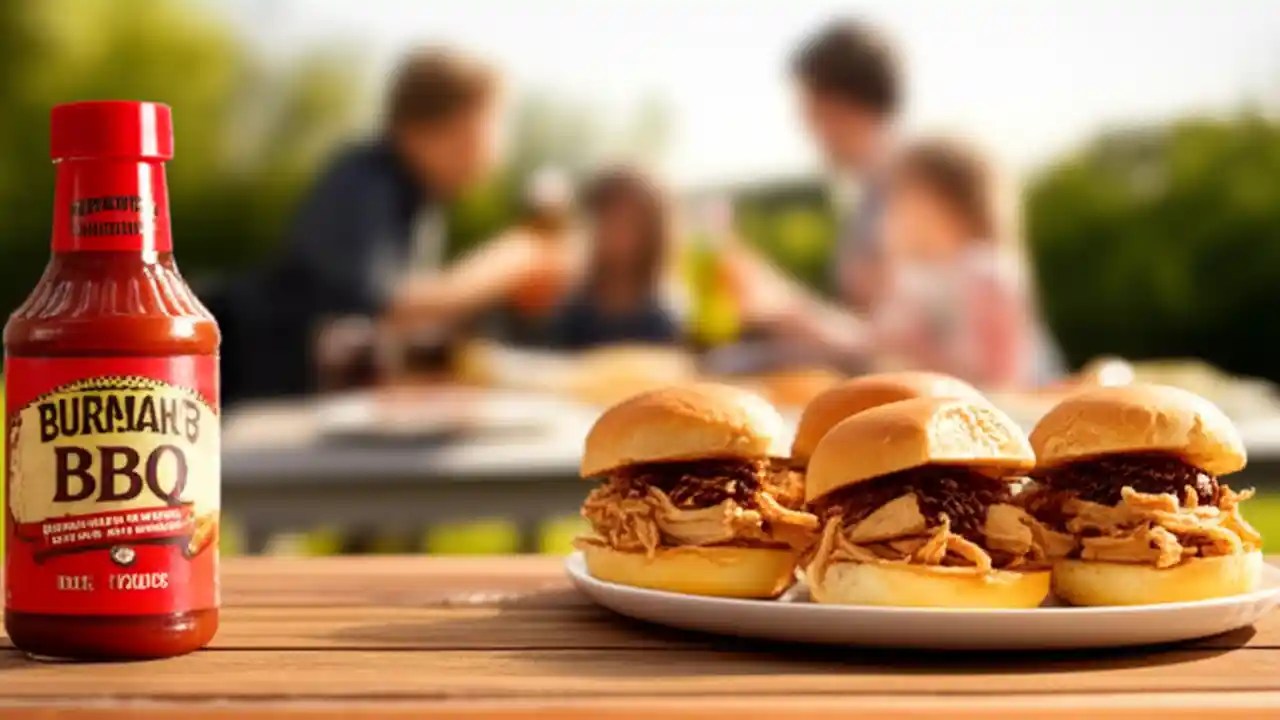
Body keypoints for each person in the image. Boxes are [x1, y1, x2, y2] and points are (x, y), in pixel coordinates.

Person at [216, 48, 502, 401]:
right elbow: (387, 309)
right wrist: (511, 264)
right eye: (488, 126)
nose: (494, 150)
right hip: (249, 393)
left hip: (300, 400)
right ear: (426, 129)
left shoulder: (420, 201)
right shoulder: (365, 181)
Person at [873, 137, 1053, 388]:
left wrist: (915, 351)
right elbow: (881, 349)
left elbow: (1002, 380)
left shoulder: (986, 273)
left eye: (902, 196)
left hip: (1012, 415)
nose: (890, 214)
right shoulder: (916, 278)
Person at [792, 19, 902, 312]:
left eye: (809, 107)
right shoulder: (869, 192)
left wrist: (782, 306)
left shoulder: (912, 190)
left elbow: (888, 331)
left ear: (840, 104)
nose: (805, 124)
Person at [549, 168, 678, 350]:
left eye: (630, 223)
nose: (617, 234)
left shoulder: (663, 318)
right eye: (608, 219)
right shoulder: (572, 309)